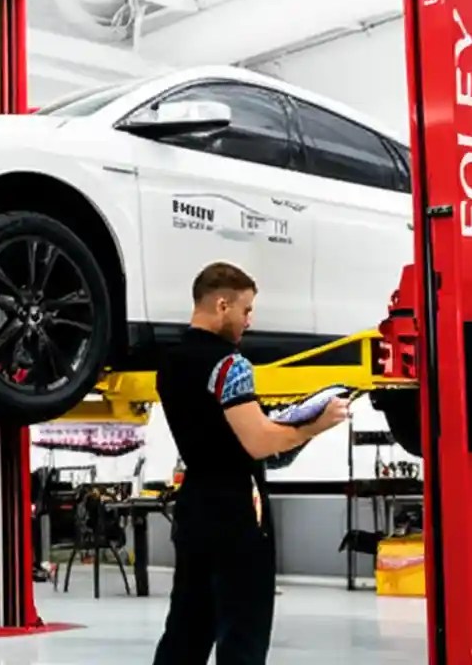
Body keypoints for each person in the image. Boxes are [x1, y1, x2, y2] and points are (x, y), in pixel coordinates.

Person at [151, 262, 350, 665]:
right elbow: (258, 442)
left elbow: (219, 434)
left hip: (193, 509)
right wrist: (315, 424)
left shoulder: (169, 363)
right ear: (222, 305)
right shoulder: (230, 365)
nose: (249, 321)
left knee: (185, 631)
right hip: (238, 512)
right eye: (246, 310)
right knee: (243, 633)